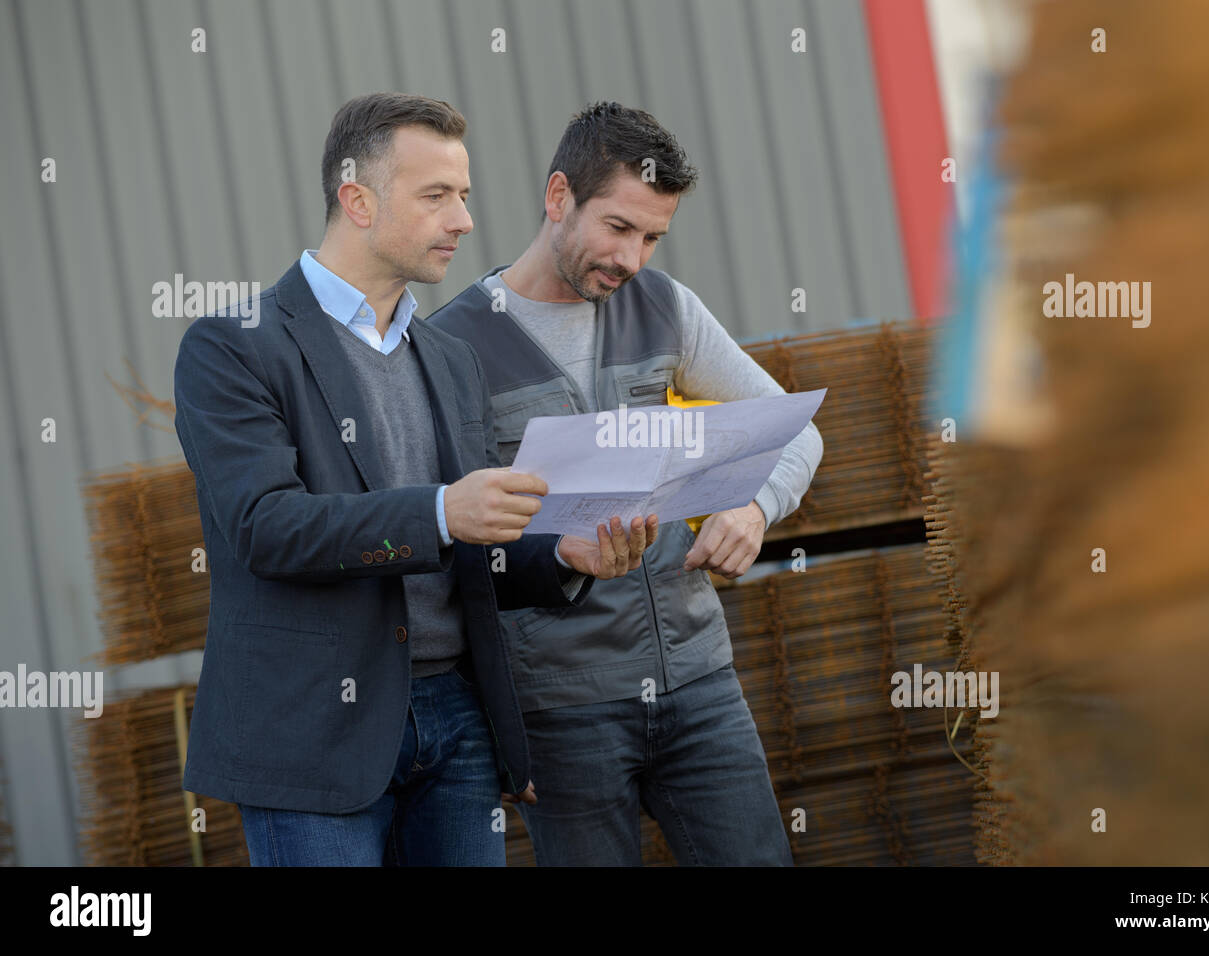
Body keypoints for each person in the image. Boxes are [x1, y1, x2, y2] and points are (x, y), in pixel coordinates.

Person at [172, 93, 656, 867]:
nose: (464, 220)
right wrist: (438, 511)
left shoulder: (447, 358)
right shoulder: (233, 348)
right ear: (356, 199)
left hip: (457, 723)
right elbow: (267, 528)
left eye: (463, 196)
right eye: (436, 196)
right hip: (313, 736)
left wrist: (564, 555)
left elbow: (468, 548)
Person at [430, 101, 823, 865]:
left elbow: (796, 429)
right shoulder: (450, 348)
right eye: (618, 228)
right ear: (557, 198)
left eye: (652, 237)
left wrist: (754, 504)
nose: (633, 258)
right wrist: (506, 732)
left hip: (701, 686)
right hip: (561, 712)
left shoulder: (665, 308)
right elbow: (449, 555)